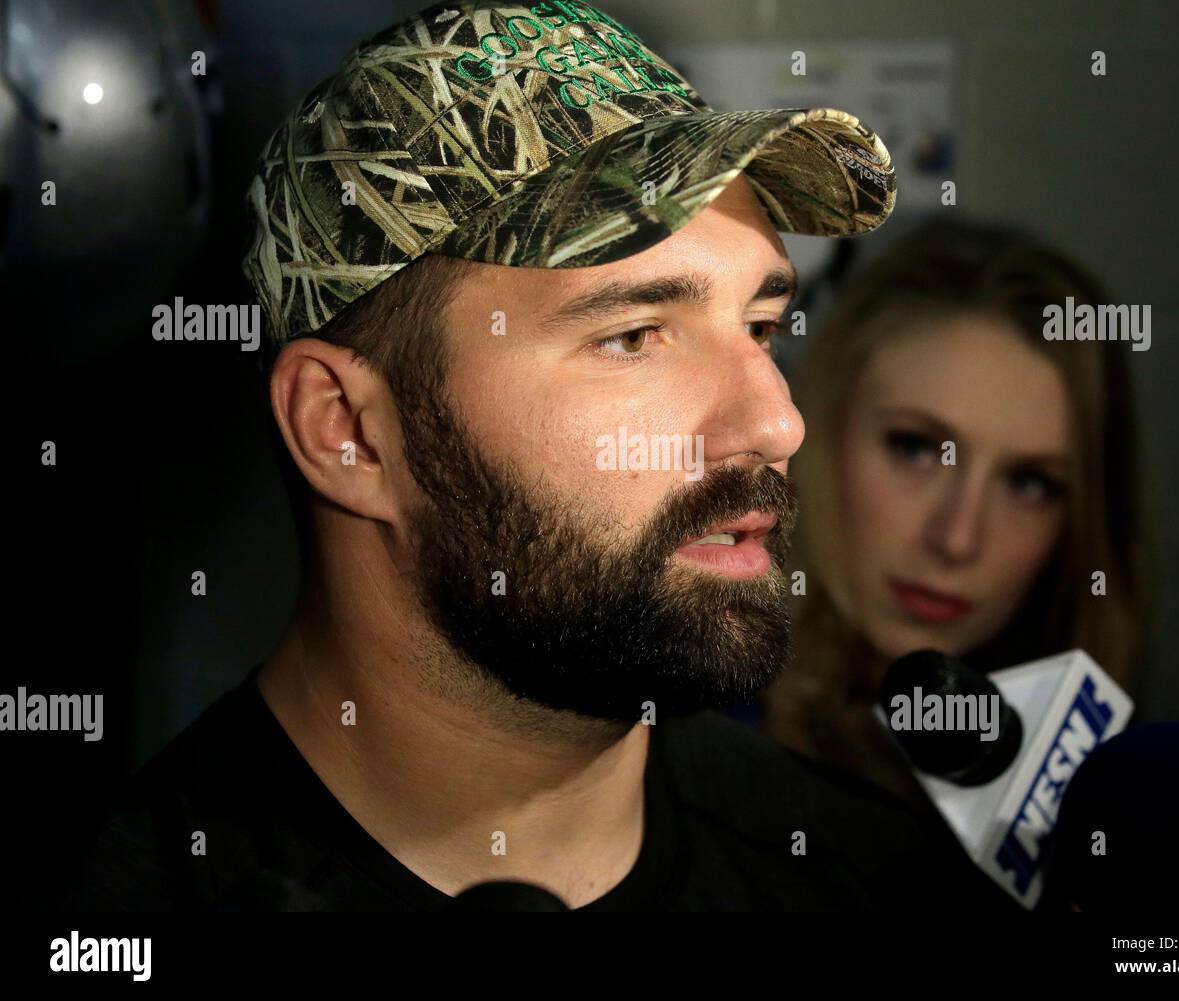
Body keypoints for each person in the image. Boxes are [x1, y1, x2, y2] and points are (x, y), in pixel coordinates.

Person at [59, 0, 996, 912]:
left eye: (760, 324)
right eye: (632, 336)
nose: (776, 422)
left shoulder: (879, 878)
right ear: (345, 429)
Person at [763, 218, 1148, 811]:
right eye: (915, 447)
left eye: (1030, 483)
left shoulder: (1107, 791)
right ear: (819, 432)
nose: (959, 538)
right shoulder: (680, 755)